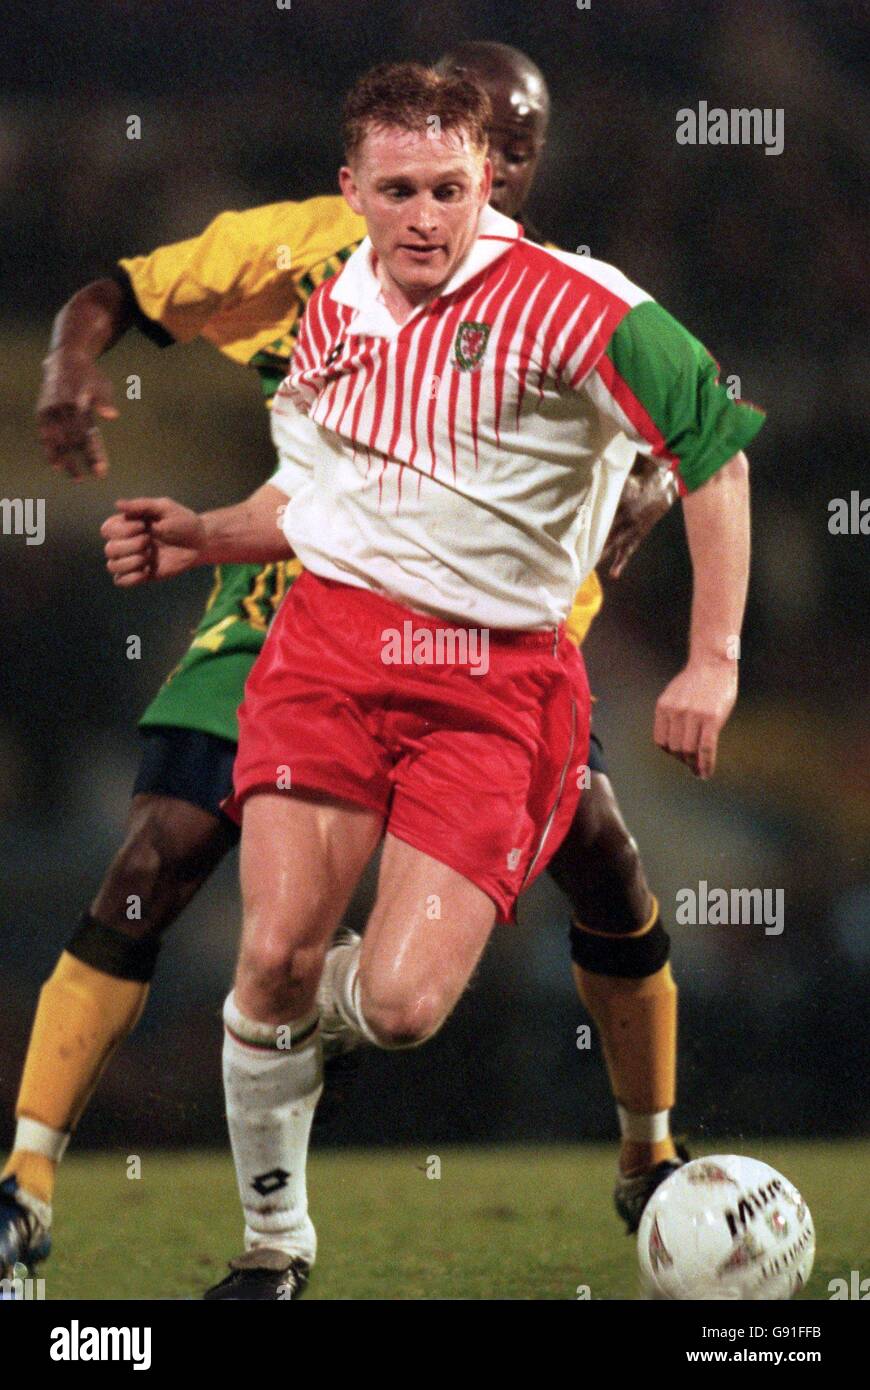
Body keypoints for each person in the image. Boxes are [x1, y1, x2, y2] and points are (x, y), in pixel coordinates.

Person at [0, 43, 693, 1281]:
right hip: (293, 603)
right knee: (159, 857)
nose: (500, 176)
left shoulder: (551, 291)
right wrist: (71, 366)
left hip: (498, 650)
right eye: (486, 149)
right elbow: (124, 289)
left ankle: (647, 1151)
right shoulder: (311, 250)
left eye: (518, 156)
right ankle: (30, 1177)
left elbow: (682, 441)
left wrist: (641, 524)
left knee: (600, 855)